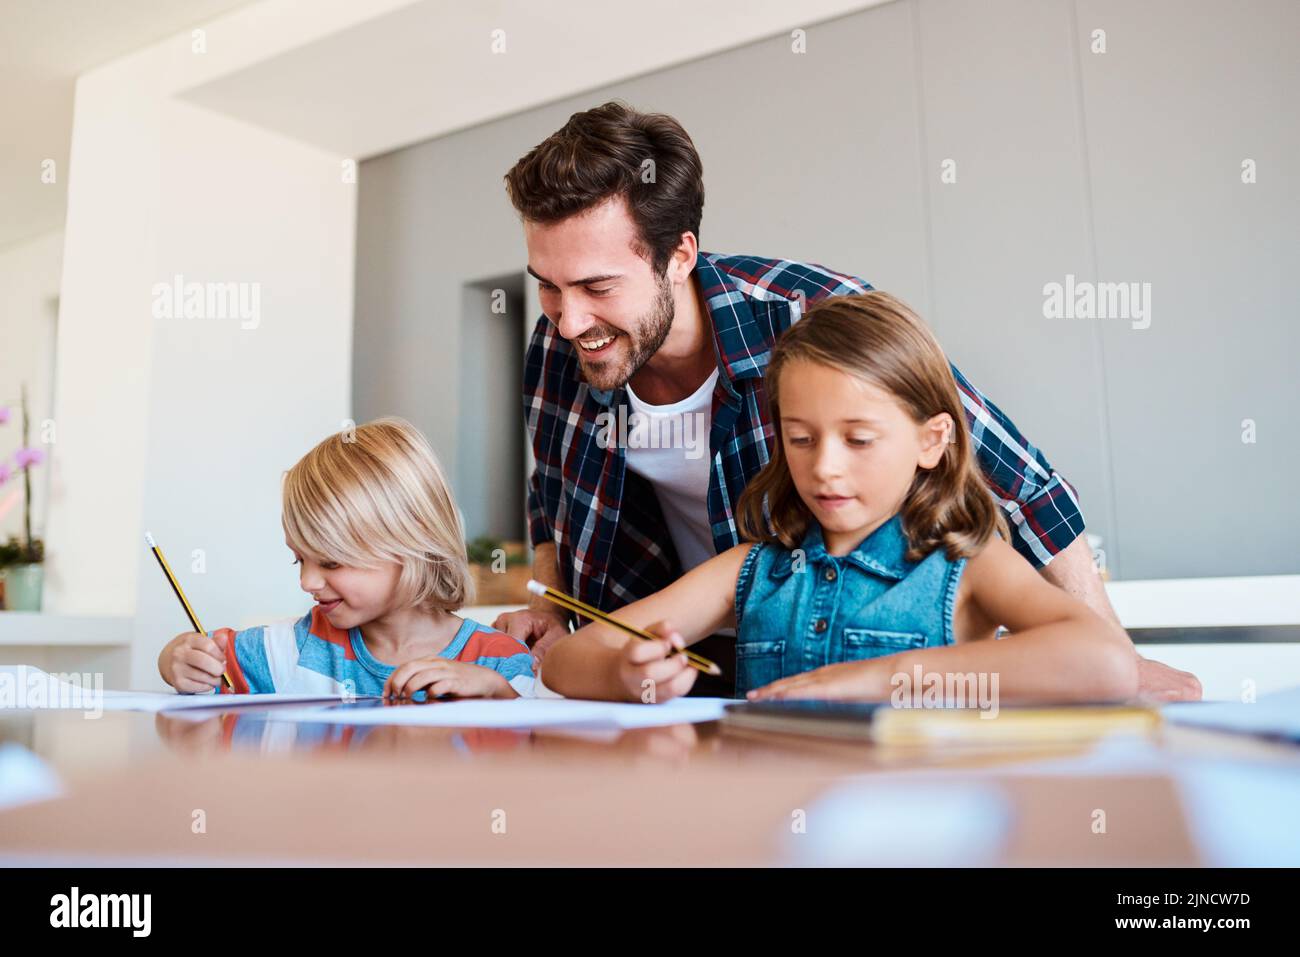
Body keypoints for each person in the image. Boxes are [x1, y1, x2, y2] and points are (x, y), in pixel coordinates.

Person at [493, 100, 1199, 702]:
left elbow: (1020, 483)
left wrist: (1117, 656)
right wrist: (548, 604)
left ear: (678, 256)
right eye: (547, 285)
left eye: (597, 287)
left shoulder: (813, 318)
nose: (568, 320)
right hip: (683, 673)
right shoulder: (557, 345)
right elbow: (549, 492)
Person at [540, 293, 1137, 704]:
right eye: (801, 439)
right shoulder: (752, 569)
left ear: (931, 441)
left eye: (859, 440)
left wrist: (886, 678)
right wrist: (623, 672)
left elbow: (1105, 661)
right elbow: (569, 658)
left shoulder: (971, 564)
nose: (824, 467)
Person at [157, 418, 533, 700]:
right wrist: (177, 660)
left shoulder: (499, 661)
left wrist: (498, 693)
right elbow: (200, 657)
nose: (307, 582)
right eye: (299, 560)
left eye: (331, 562)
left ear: (413, 541)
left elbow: (532, 746)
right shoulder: (291, 650)